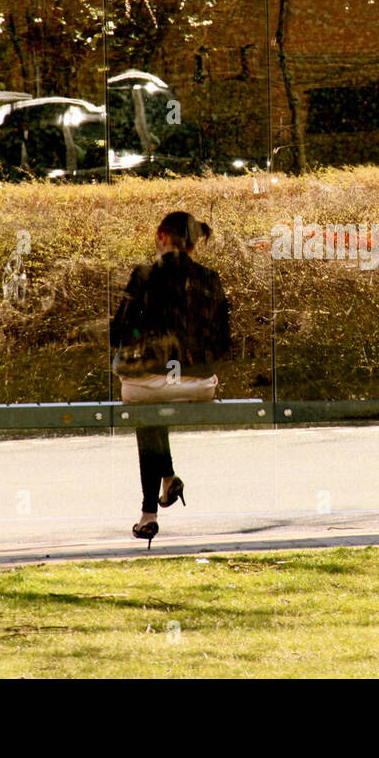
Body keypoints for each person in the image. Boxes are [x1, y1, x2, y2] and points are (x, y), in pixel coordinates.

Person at [110, 211, 231, 548]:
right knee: (155, 399)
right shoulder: (210, 278)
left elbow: (118, 331)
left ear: (162, 235)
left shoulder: (145, 275)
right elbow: (223, 341)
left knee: (147, 405)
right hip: (197, 384)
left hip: (149, 382)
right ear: (194, 243)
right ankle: (167, 479)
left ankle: (149, 514)